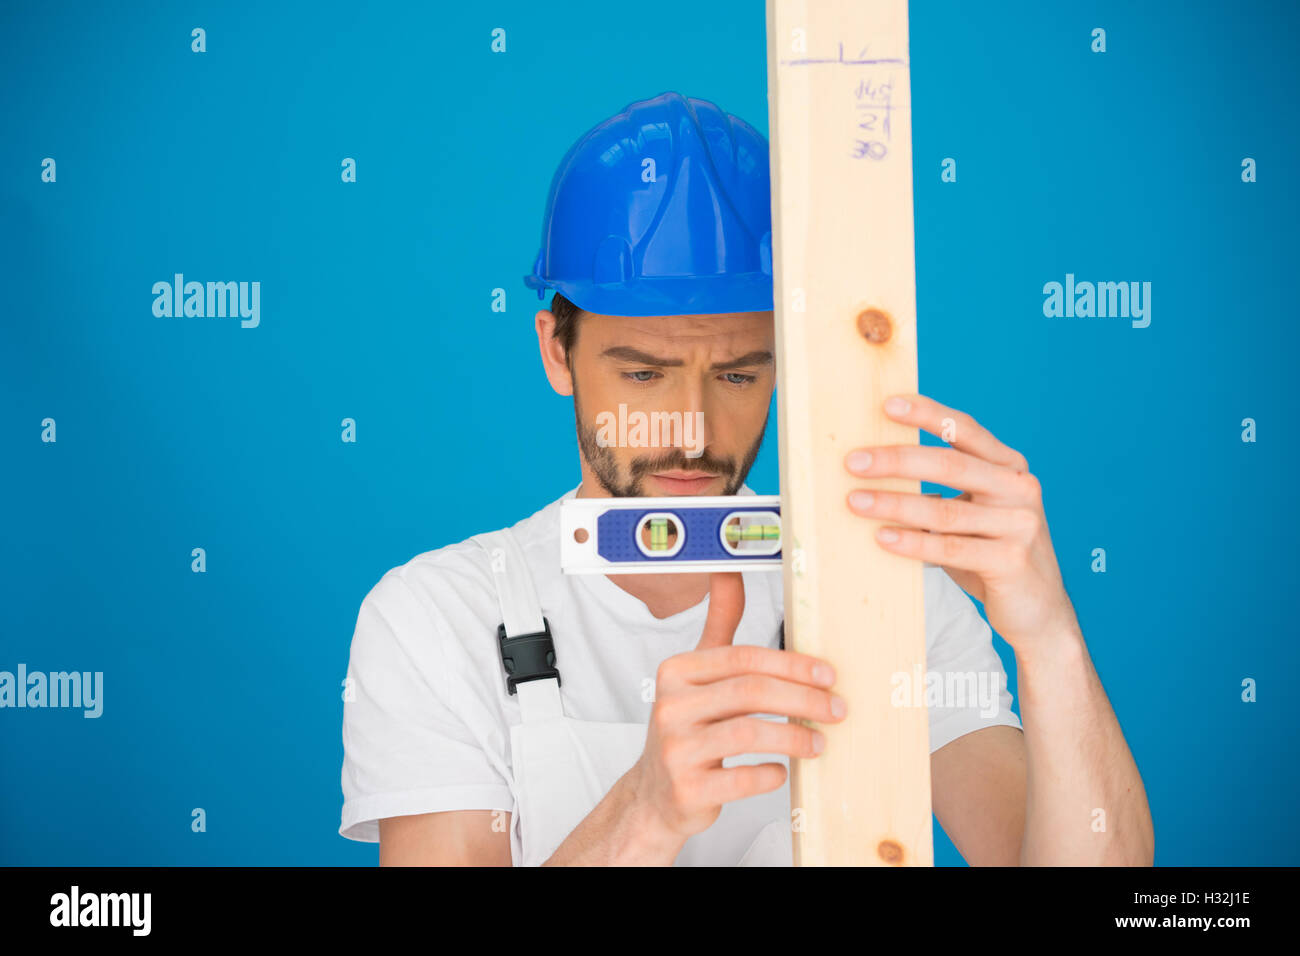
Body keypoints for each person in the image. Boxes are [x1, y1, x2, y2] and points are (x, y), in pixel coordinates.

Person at [338, 91, 1154, 866]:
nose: (691, 429)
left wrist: (1048, 634)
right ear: (557, 350)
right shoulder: (438, 617)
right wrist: (643, 814)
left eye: (735, 375)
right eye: (645, 374)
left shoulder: (884, 592)